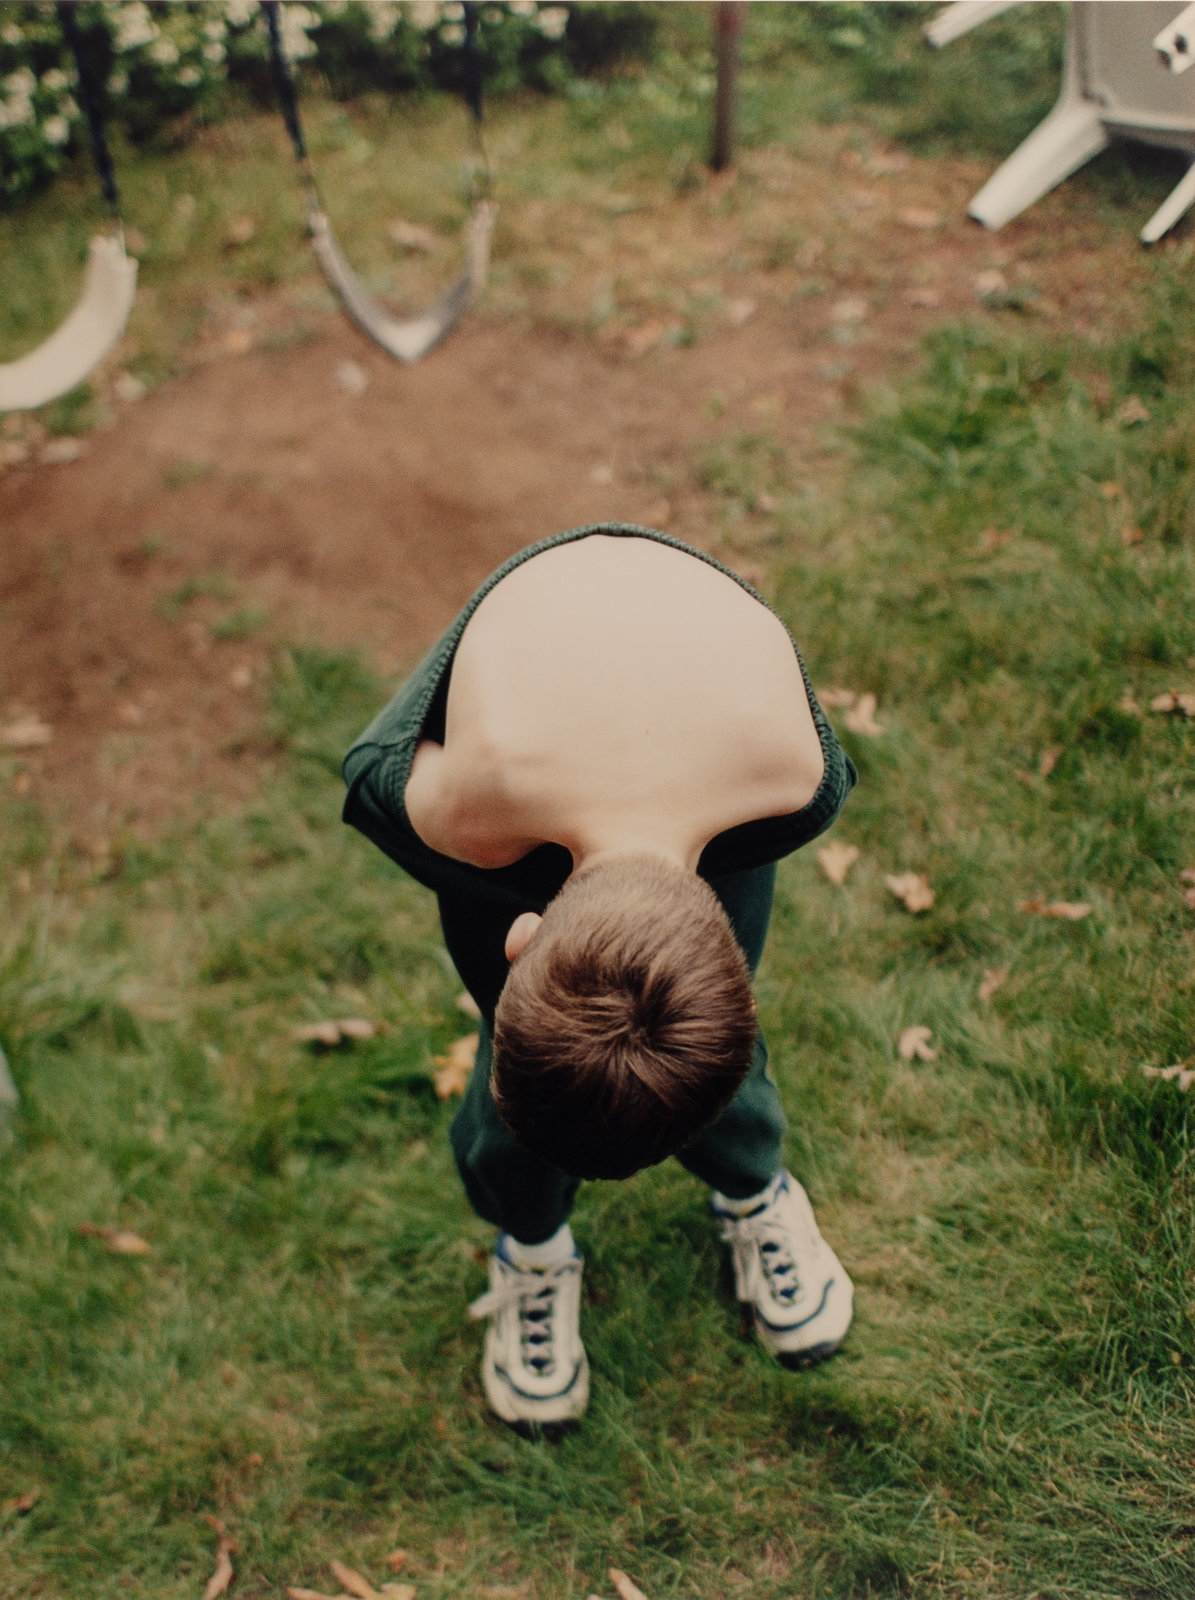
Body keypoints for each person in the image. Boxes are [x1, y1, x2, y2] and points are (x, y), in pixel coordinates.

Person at [342, 523, 857, 1431]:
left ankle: (756, 1193)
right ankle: (532, 1249)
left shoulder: (794, 781)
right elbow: (375, 765)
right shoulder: (472, 808)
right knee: (542, 1078)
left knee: (682, 1053)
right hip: (533, 607)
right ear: (520, 933)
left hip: (698, 657)